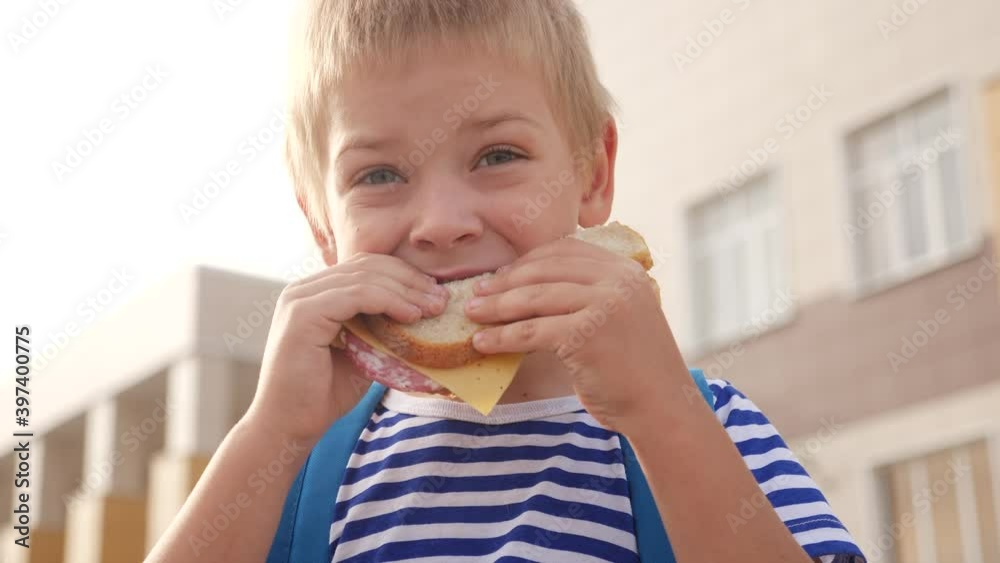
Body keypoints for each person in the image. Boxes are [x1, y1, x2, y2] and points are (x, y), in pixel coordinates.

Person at [146, 1, 867, 561]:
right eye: (378, 175)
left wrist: (663, 409)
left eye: (497, 155)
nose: (440, 222)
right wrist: (268, 430)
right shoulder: (293, 468)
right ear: (323, 227)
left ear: (593, 171)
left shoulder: (709, 423)